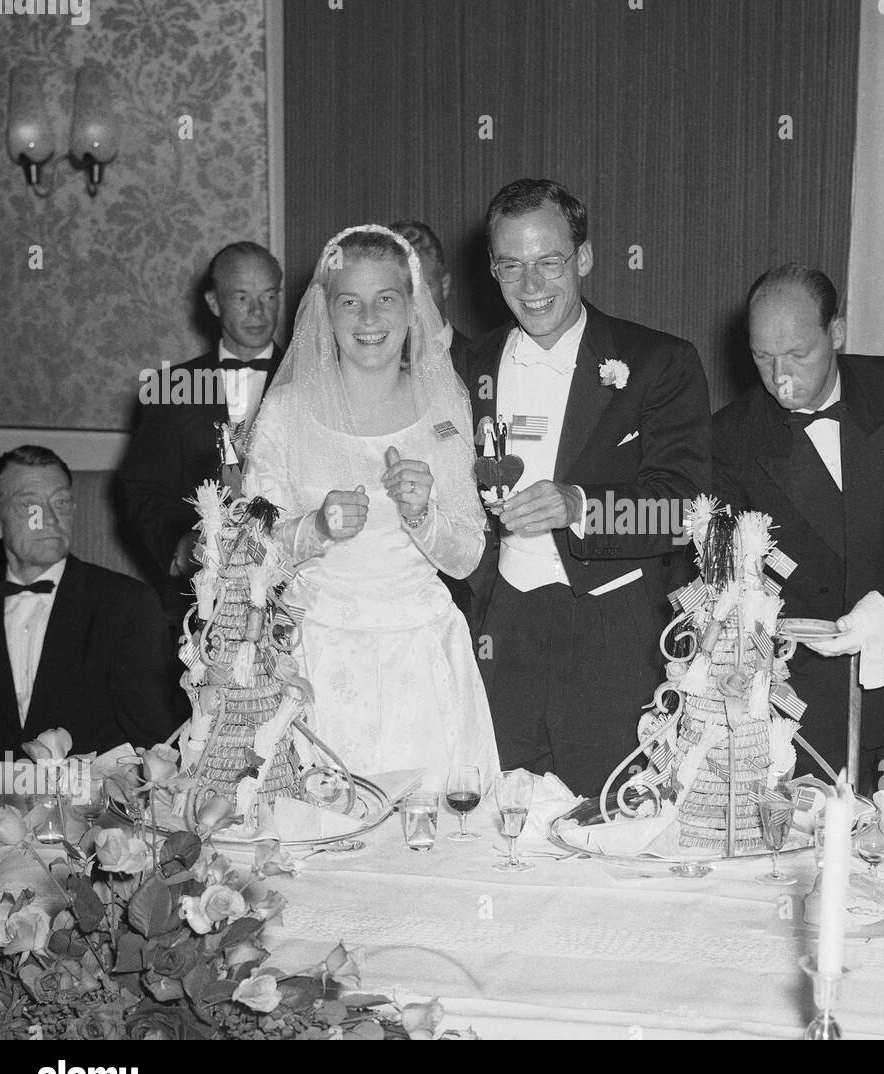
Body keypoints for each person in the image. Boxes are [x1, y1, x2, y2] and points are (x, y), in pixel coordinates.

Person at [457, 178, 711, 798]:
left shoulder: (659, 361)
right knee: (500, 820)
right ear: (492, 270)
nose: (532, 285)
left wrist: (581, 507)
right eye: (512, 266)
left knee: (605, 828)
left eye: (550, 262)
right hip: (499, 627)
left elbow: (685, 512)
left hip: (614, 636)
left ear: (586, 259)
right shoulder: (467, 367)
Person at [712, 265, 884, 793]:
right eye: (762, 358)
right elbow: (737, 589)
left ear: (836, 333)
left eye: (797, 355)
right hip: (813, 690)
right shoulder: (729, 439)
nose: (780, 376)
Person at [243, 225, 498, 781]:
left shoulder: (445, 405)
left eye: (386, 299)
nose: (368, 319)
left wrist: (421, 516)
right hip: (317, 652)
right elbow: (249, 546)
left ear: (413, 307)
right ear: (325, 312)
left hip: (423, 650)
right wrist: (316, 527)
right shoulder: (286, 410)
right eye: (349, 302)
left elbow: (468, 556)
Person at [119, 241, 284, 626]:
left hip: (291, 594)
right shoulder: (173, 386)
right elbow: (143, 489)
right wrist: (180, 545)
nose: (258, 312)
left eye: (269, 296)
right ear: (213, 303)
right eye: (242, 297)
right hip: (198, 600)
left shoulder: (310, 383)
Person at [0, 446, 182, 760]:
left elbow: (159, 747)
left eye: (61, 502)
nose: (49, 519)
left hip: (88, 805)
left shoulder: (127, 606)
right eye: (28, 504)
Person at [391, 219, 476, 626]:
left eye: (421, 286)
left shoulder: (485, 365)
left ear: (444, 285)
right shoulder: (352, 377)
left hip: (471, 595)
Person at [389, 220, 469, 362]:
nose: (410, 303)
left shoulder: (481, 362)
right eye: (396, 293)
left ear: (444, 286)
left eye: (421, 290)